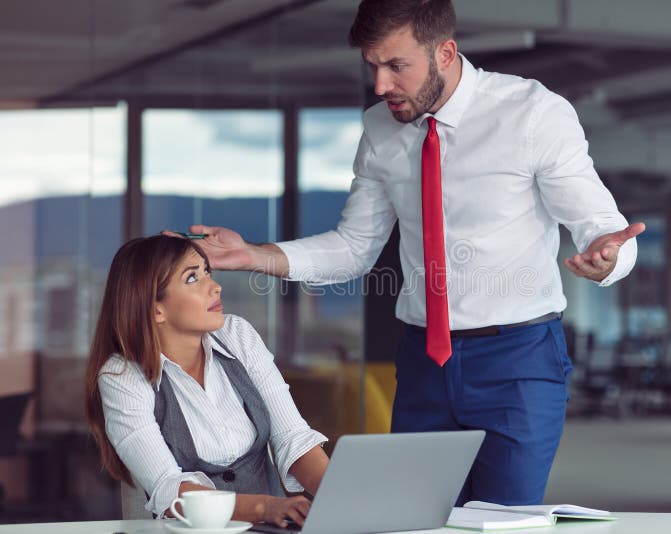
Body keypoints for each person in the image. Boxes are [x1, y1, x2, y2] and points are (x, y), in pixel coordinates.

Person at [184, 0, 645, 506]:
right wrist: (254, 255)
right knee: (417, 516)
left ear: (445, 52)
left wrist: (608, 259)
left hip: (517, 359)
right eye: (372, 66)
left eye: (396, 66)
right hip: (424, 360)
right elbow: (355, 247)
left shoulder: (533, 113)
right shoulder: (381, 129)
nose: (381, 85)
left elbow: (602, 229)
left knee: (505, 519)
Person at [85, 235, 328, 527]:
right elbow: (169, 489)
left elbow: (294, 439)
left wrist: (341, 498)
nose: (215, 286)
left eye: (206, 272)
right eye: (192, 278)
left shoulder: (237, 335)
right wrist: (266, 506)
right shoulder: (122, 377)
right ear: (155, 308)